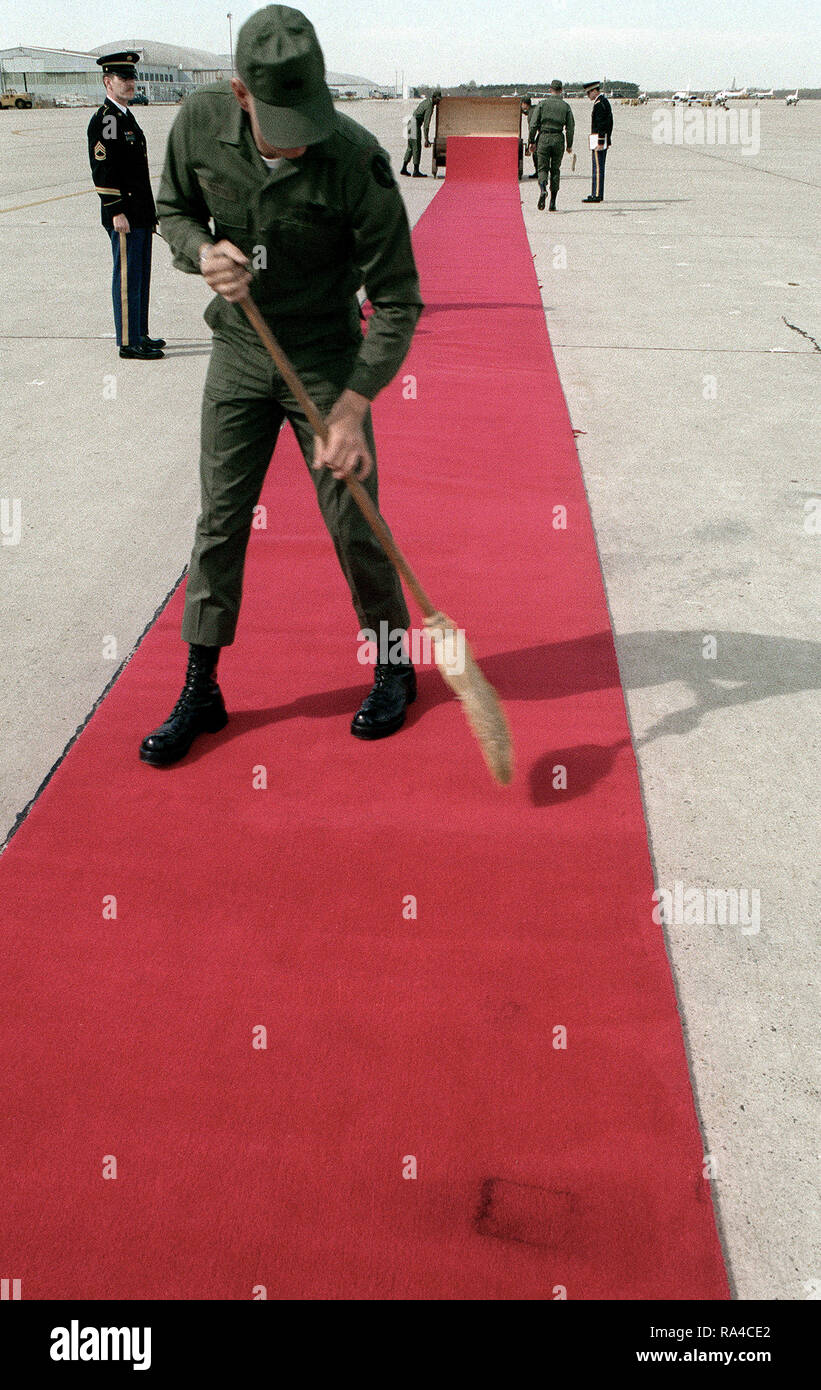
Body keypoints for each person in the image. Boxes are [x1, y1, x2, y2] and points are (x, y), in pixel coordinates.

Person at [141, 5, 423, 767]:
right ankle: (202, 687)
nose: (299, 139)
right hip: (238, 352)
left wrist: (353, 403)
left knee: (354, 521)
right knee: (220, 522)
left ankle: (394, 665)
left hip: (328, 361)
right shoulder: (198, 123)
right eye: (279, 123)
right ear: (239, 95)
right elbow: (170, 210)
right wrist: (200, 250)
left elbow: (398, 297)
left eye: (308, 116)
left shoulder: (354, 158)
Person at [86, 51, 165, 359]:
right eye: (123, 78)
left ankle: (139, 333)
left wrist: (148, 213)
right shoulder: (107, 119)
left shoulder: (125, 116)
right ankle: (128, 342)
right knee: (127, 276)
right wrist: (116, 210)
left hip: (139, 213)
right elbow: (103, 168)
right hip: (124, 215)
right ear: (108, 81)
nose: (131, 83)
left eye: (132, 77)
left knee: (140, 275)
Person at [529, 80, 574, 210]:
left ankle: (543, 189)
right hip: (558, 138)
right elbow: (570, 127)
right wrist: (569, 144)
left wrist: (531, 141)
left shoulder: (542, 104)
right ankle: (553, 201)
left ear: (550, 89)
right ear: (561, 90)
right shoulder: (565, 106)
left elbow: (533, 125)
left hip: (544, 137)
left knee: (542, 168)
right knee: (555, 170)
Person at [582, 80, 613, 203]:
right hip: (601, 139)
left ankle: (597, 194)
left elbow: (602, 124)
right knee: (598, 167)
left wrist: (600, 141)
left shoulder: (599, 104)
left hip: (599, 140)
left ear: (594, 91)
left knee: (598, 168)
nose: (588, 95)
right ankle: (597, 193)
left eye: (589, 93)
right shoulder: (602, 102)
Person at [400, 87, 441, 177]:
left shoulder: (426, 101)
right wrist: (426, 139)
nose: (438, 103)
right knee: (416, 147)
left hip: (410, 123)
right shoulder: (430, 107)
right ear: (434, 98)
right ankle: (416, 171)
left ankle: (404, 168)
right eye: (438, 100)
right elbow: (426, 125)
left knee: (410, 147)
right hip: (415, 125)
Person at [520, 97, 537, 178]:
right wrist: (523, 111)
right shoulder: (534, 108)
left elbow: (532, 129)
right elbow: (528, 112)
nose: (521, 106)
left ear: (525, 104)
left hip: (540, 133)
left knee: (536, 154)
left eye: (521, 104)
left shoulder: (531, 114)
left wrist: (530, 142)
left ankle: (538, 173)